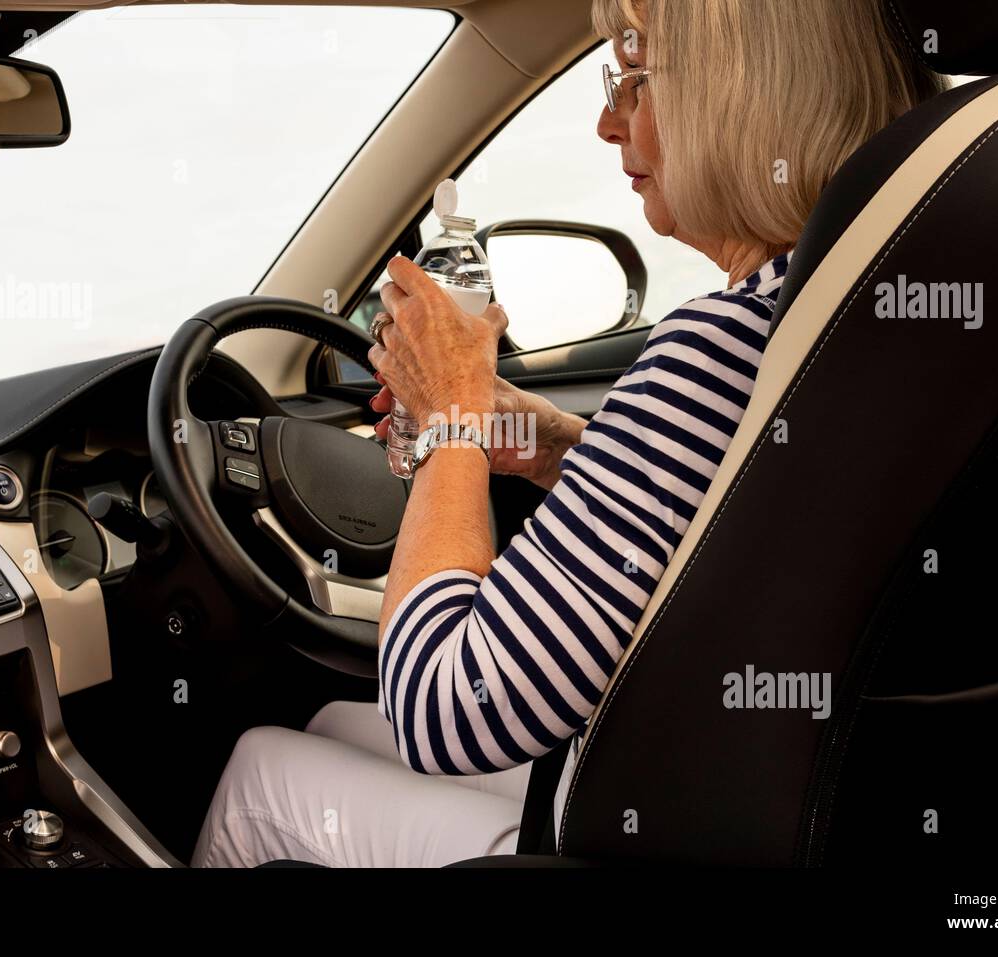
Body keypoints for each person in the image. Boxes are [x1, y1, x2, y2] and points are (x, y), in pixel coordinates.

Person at [193, 0, 945, 868]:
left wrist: (452, 423)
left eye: (634, 79)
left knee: (259, 769)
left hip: (637, 829)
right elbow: (727, 531)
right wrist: (555, 446)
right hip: (734, 789)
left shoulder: (722, 345)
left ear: (737, 98)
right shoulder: (834, 321)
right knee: (326, 722)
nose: (605, 121)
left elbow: (443, 706)